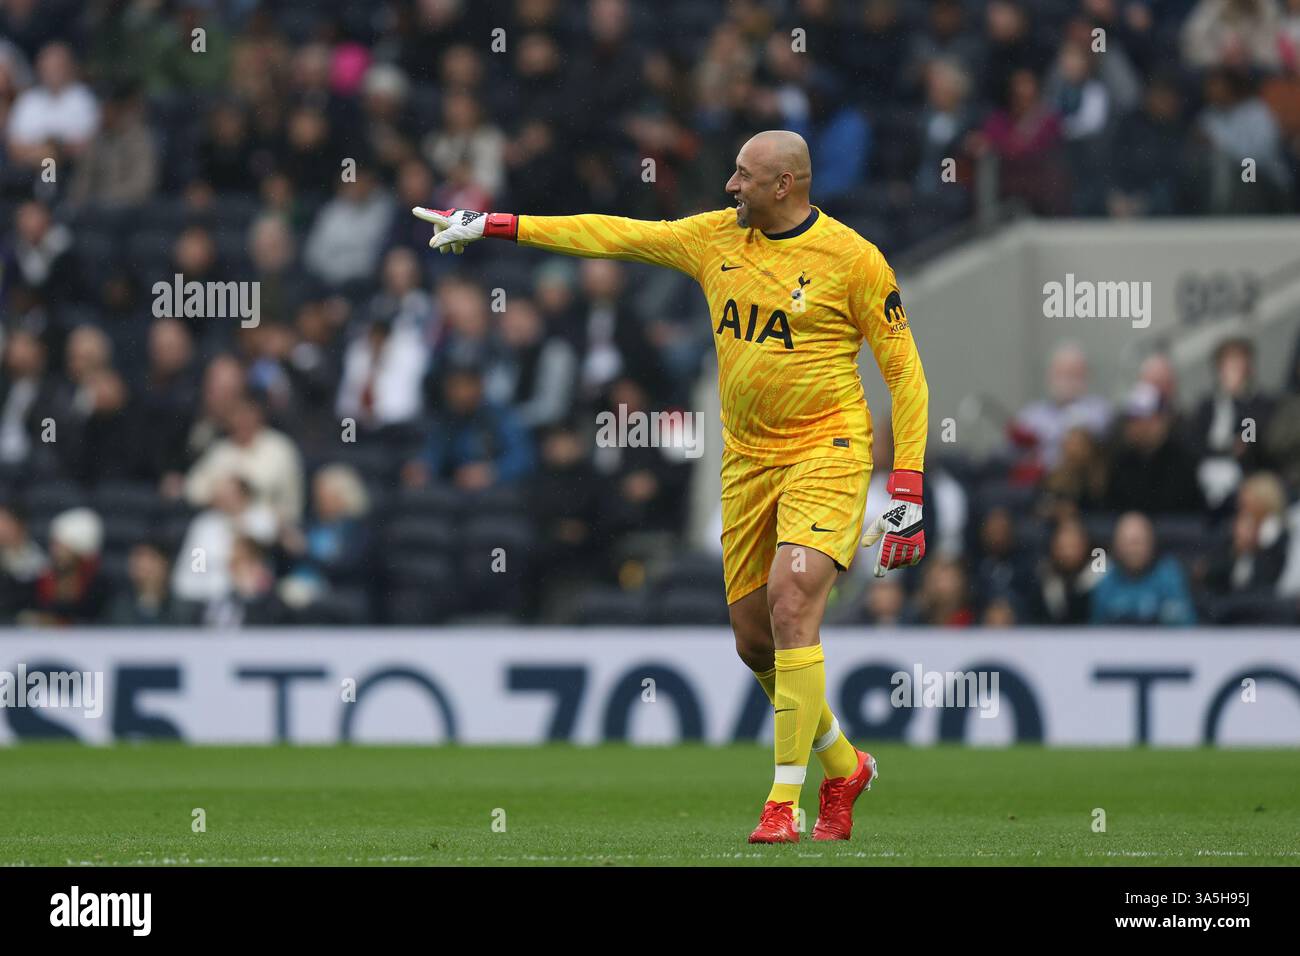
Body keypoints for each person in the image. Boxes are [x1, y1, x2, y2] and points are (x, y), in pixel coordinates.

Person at [410, 129, 929, 845]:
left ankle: (784, 801)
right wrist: (499, 224)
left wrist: (907, 486)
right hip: (746, 459)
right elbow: (613, 235)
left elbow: (905, 372)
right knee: (754, 643)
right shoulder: (714, 238)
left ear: (784, 185)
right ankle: (844, 764)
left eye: (742, 176)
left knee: (791, 601)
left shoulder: (853, 260)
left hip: (828, 449)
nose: (728, 187)